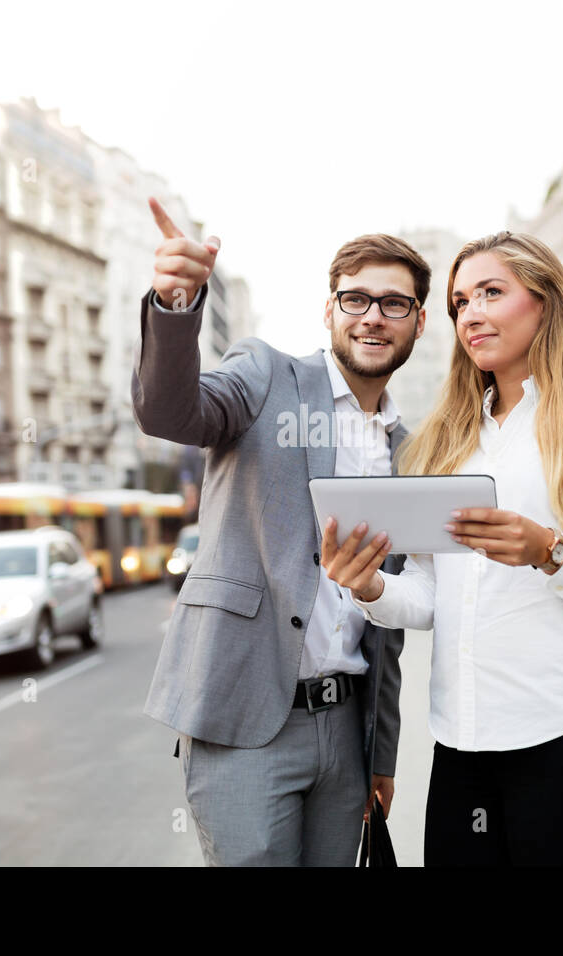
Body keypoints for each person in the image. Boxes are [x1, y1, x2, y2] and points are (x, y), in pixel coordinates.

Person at [321, 231, 563, 866]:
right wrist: (371, 587)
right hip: (460, 750)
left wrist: (553, 552)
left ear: (543, 303)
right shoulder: (444, 443)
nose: (471, 314)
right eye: (460, 302)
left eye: (492, 293)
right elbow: (434, 596)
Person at [133, 197, 430, 866]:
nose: (374, 316)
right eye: (355, 300)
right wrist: (176, 308)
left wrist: (380, 752)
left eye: (395, 304)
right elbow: (171, 410)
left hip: (346, 732)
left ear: (417, 323)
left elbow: (388, 623)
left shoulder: (410, 452)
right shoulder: (266, 377)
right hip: (248, 722)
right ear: (329, 312)